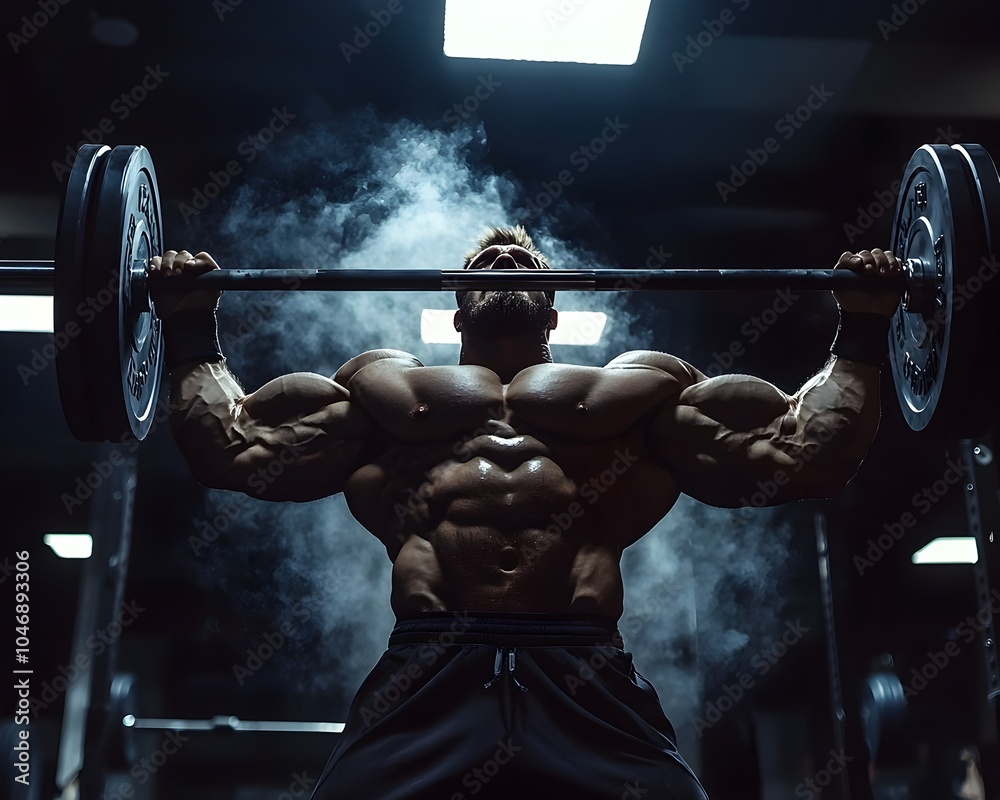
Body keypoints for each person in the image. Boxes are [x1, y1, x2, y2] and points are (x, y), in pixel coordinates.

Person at [151, 226, 902, 799]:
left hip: (584, 673)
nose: (504, 265)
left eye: (525, 265)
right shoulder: (384, 395)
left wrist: (863, 325)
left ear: (555, 305)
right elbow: (235, 449)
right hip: (426, 670)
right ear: (453, 311)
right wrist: (191, 325)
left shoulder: (636, 397)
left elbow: (803, 455)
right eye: (484, 265)